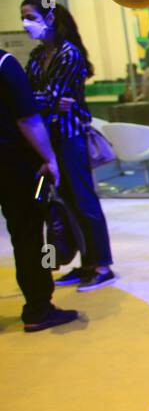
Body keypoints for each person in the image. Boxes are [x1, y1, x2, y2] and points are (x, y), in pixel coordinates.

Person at [20, 0, 116, 291]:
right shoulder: (37, 56)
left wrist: (39, 100)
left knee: (83, 199)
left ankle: (101, 264)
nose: (25, 23)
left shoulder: (68, 53)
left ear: (49, 19)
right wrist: (44, 100)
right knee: (65, 202)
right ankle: (84, 262)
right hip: (48, 137)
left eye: (30, 16)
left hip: (71, 135)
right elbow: (26, 95)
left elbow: (40, 96)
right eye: (22, 17)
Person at [0, 48, 78, 331]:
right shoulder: (5, 63)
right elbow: (27, 119)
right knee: (27, 235)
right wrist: (49, 158)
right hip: (11, 164)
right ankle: (38, 308)